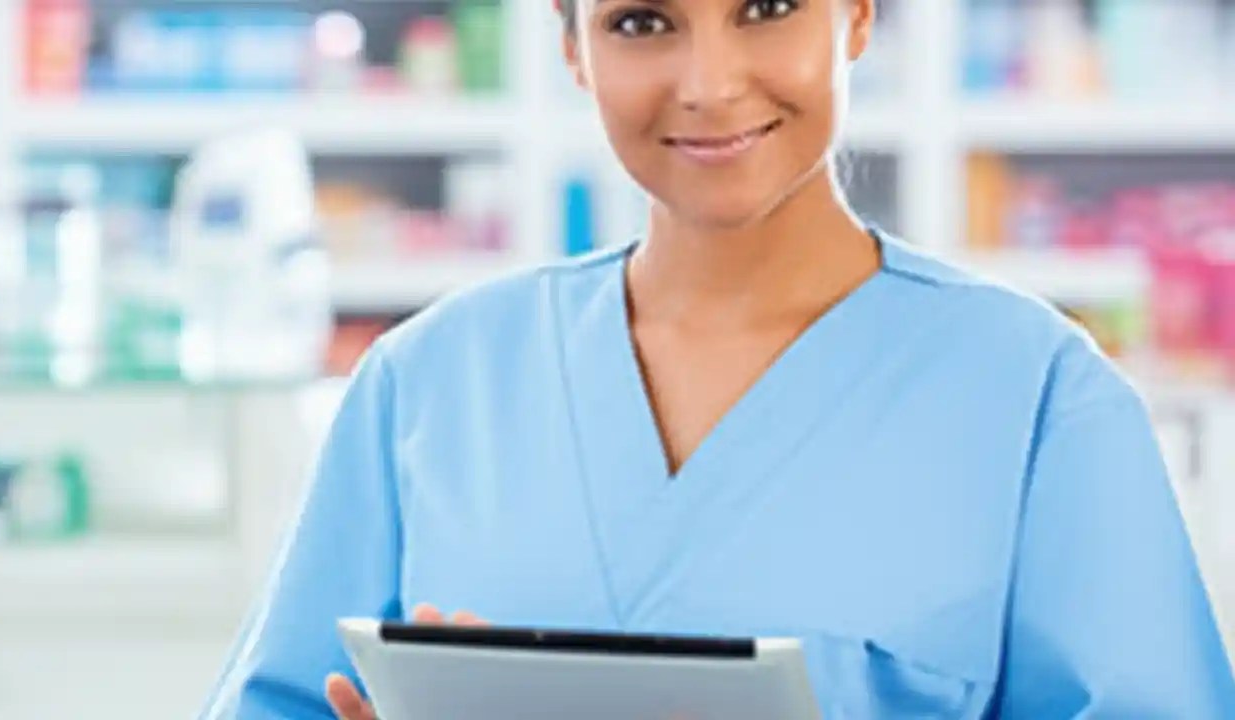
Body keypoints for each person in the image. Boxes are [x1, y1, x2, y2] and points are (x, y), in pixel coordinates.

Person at [200, 0, 1235, 717]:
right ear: (572, 46)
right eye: (641, 23)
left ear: (857, 16)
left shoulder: (1035, 398)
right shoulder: (430, 385)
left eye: (767, 8)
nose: (708, 84)